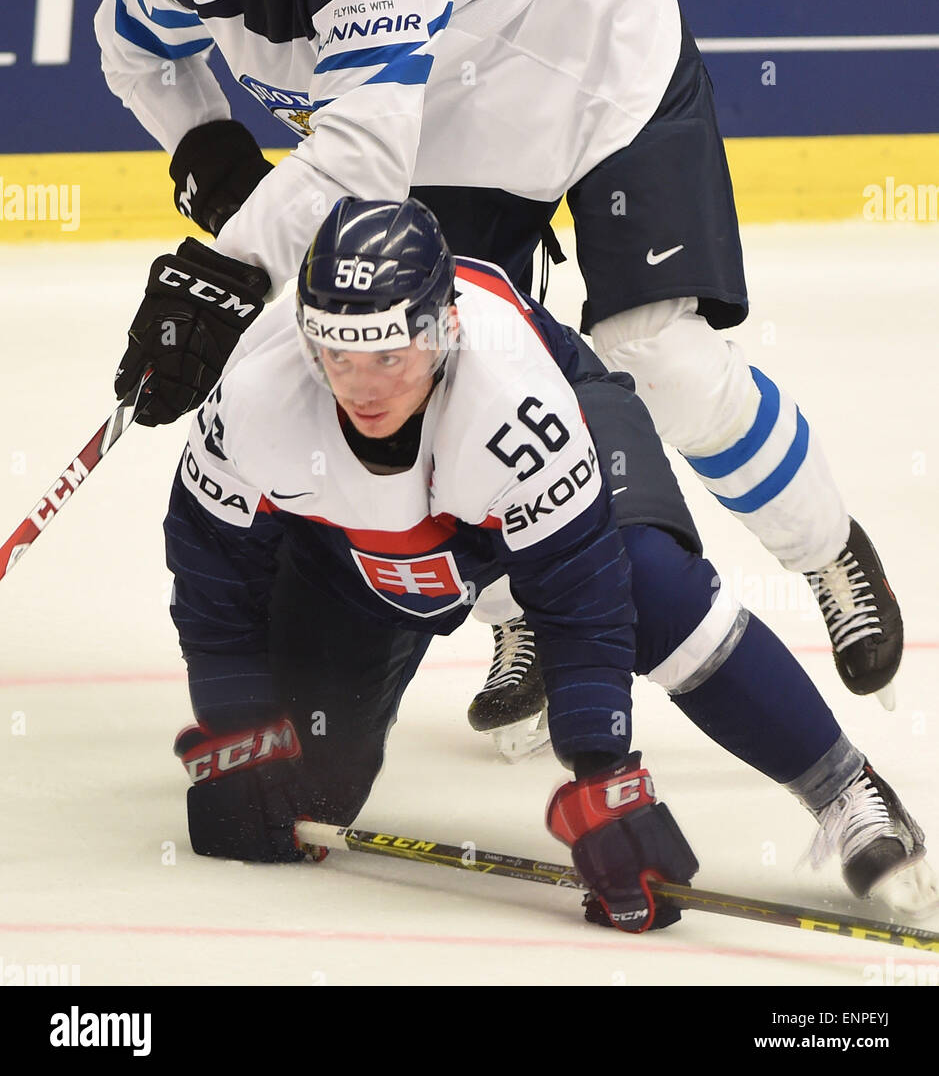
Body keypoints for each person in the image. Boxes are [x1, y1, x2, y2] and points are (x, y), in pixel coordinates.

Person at [99, 0, 902, 748]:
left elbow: (359, 162)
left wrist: (222, 267)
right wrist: (202, 147)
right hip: (446, 128)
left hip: (598, 64)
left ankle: (826, 547)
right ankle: (515, 609)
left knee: (657, 356)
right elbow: (133, 49)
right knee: (431, 370)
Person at [165, 196, 935, 932]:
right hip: (365, 536)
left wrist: (602, 781)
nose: (360, 388)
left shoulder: (513, 404)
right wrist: (238, 718)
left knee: (647, 583)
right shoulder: (258, 399)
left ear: (441, 332)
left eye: (389, 357)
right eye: (336, 354)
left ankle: (844, 791)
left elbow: (583, 599)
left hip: (560, 440)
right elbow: (213, 563)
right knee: (297, 799)